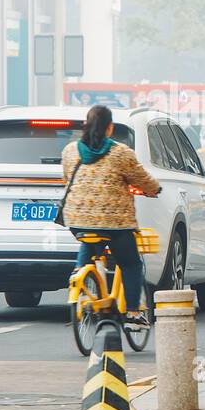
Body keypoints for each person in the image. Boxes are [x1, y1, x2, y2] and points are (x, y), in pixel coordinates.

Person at [61, 105, 161, 325]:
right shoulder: (120, 153)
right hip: (116, 223)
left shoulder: (70, 151)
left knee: (89, 236)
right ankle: (134, 313)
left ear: (85, 126)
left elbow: (66, 178)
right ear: (110, 128)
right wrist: (154, 189)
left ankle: (79, 275)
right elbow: (141, 178)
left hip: (77, 221)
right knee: (130, 264)